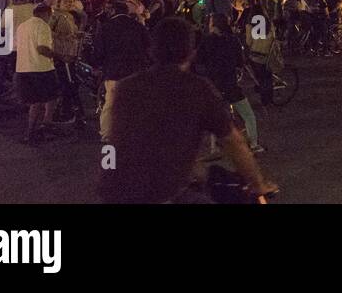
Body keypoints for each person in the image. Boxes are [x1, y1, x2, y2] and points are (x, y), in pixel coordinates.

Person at [100, 17, 275, 203]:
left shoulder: (127, 88)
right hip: (160, 195)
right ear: (190, 52)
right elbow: (235, 143)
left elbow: (115, 142)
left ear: (152, 49)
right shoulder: (195, 89)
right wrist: (258, 184)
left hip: (115, 192)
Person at [197, 13, 262, 154]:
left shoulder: (206, 41)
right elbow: (240, 62)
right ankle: (254, 144)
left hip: (213, 86)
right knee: (248, 115)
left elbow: (198, 62)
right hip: (230, 84)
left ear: (213, 25)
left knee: (214, 117)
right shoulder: (233, 40)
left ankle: (214, 148)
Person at [92, 0, 153, 142]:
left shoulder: (106, 27)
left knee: (110, 103)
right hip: (136, 70)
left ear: (113, 10)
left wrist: (97, 65)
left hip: (114, 71)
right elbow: (149, 46)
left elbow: (99, 52)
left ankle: (107, 134)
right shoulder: (137, 26)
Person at [15, 4, 60, 144]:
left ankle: (32, 131)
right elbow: (42, 48)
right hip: (41, 68)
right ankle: (42, 127)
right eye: (50, 15)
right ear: (45, 14)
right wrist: (58, 56)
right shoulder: (43, 26)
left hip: (23, 68)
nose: (51, 18)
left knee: (35, 102)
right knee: (50, 97)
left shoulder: (22, 26)